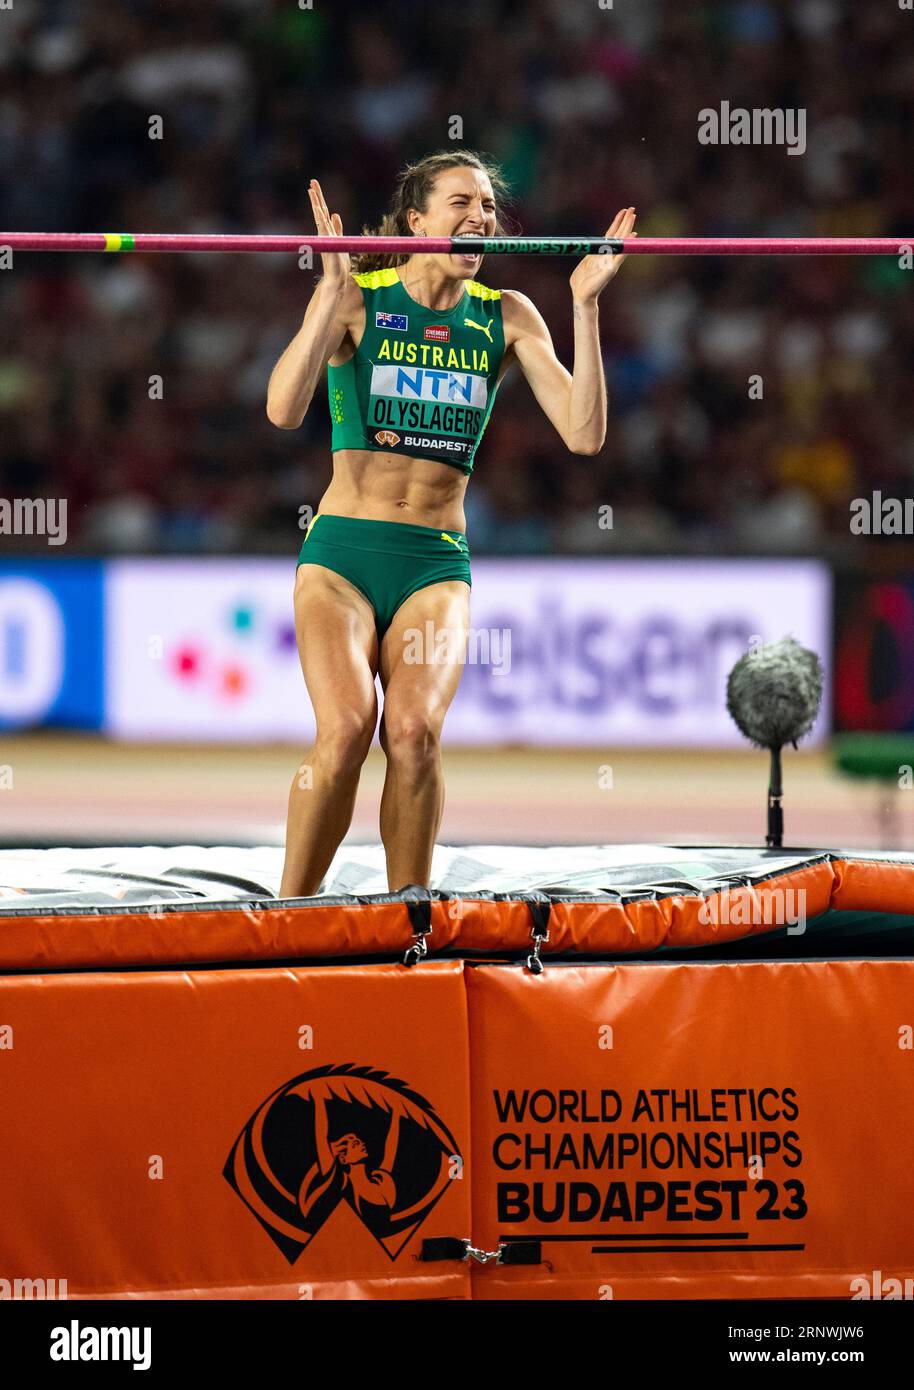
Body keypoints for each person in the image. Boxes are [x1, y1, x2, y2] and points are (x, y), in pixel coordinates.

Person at [268, 150, 636, 897]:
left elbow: (585, 433)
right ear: (418, 221)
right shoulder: (359, 299)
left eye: (490, 207)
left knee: (413, 734)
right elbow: (282, 410)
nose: (481, 217)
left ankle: (410, 924)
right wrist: (324, 302)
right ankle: (287, 919)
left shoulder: (504, 316)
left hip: (434, 562)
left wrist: (586, 306)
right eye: (462, 203)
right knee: (343, 733)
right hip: (341, 555)